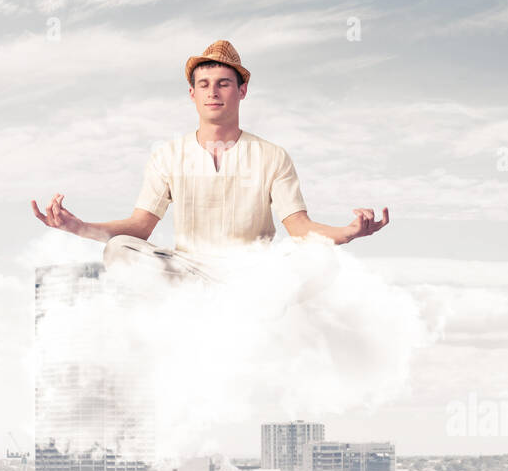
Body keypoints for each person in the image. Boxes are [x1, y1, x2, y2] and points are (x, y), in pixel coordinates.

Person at [30, 39, 390, 288]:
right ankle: (192, 313)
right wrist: (78, 227)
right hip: (188, 273)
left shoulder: (272, 156)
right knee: (119, 250)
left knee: (317, 259)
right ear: (193, 94)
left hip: (254, 273)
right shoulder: (167, 155)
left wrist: (349, 231)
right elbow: (139, 228)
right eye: (204, 84)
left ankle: (251, 310)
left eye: (223, 83)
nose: (213, 92)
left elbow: (299, 227)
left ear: (242, 90)